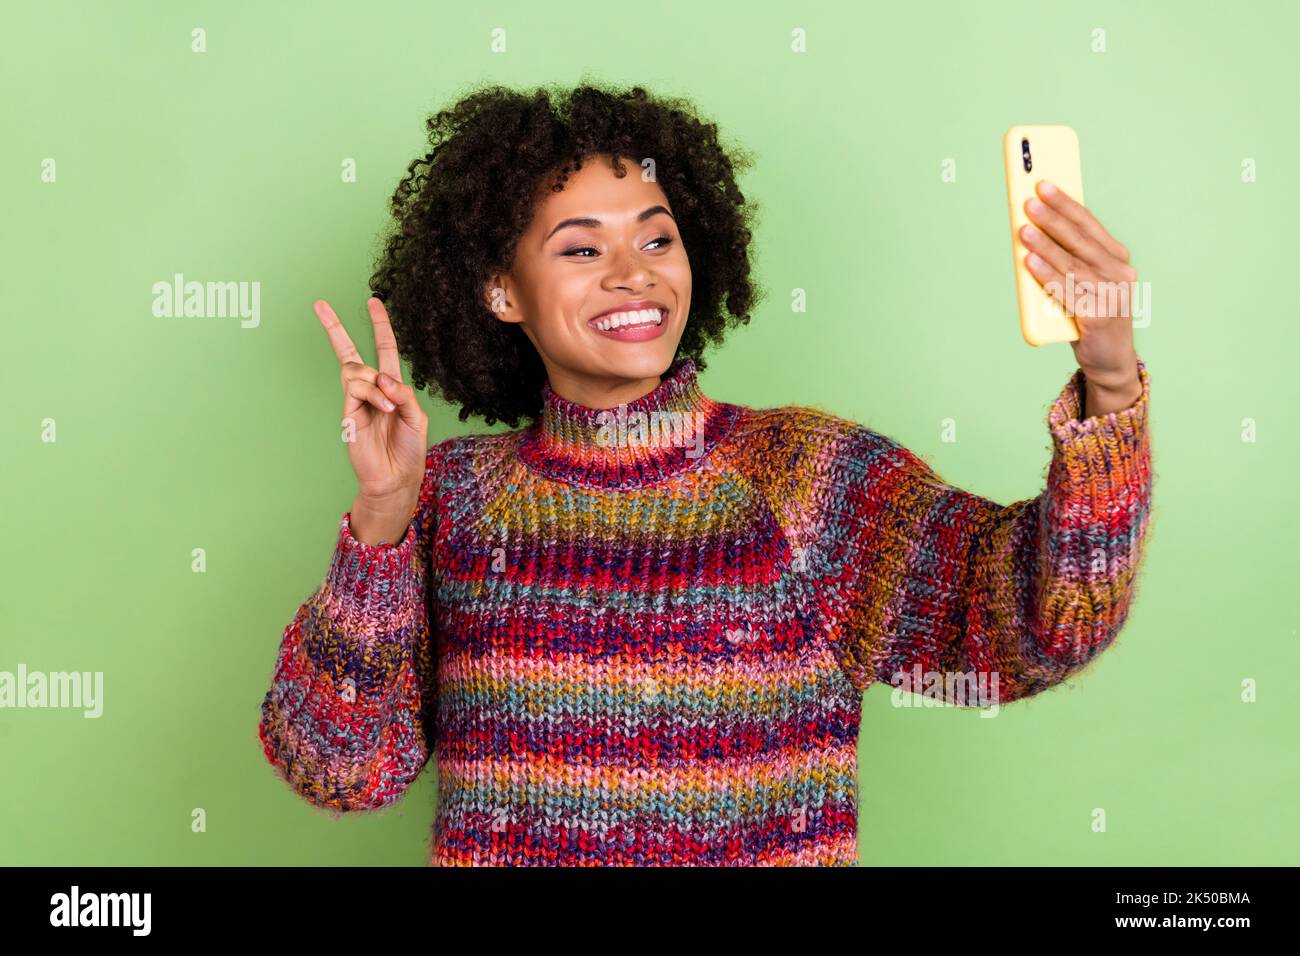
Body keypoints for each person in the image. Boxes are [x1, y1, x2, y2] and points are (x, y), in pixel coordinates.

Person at [257, 82, 1152, 866]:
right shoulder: (448, 501)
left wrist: (1109, 381)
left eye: (657, 240)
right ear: (501, 291)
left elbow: (1042, 626)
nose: (632, 276)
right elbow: (337, 768)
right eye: (579, 249)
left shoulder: (802, 479)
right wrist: (382, 514)